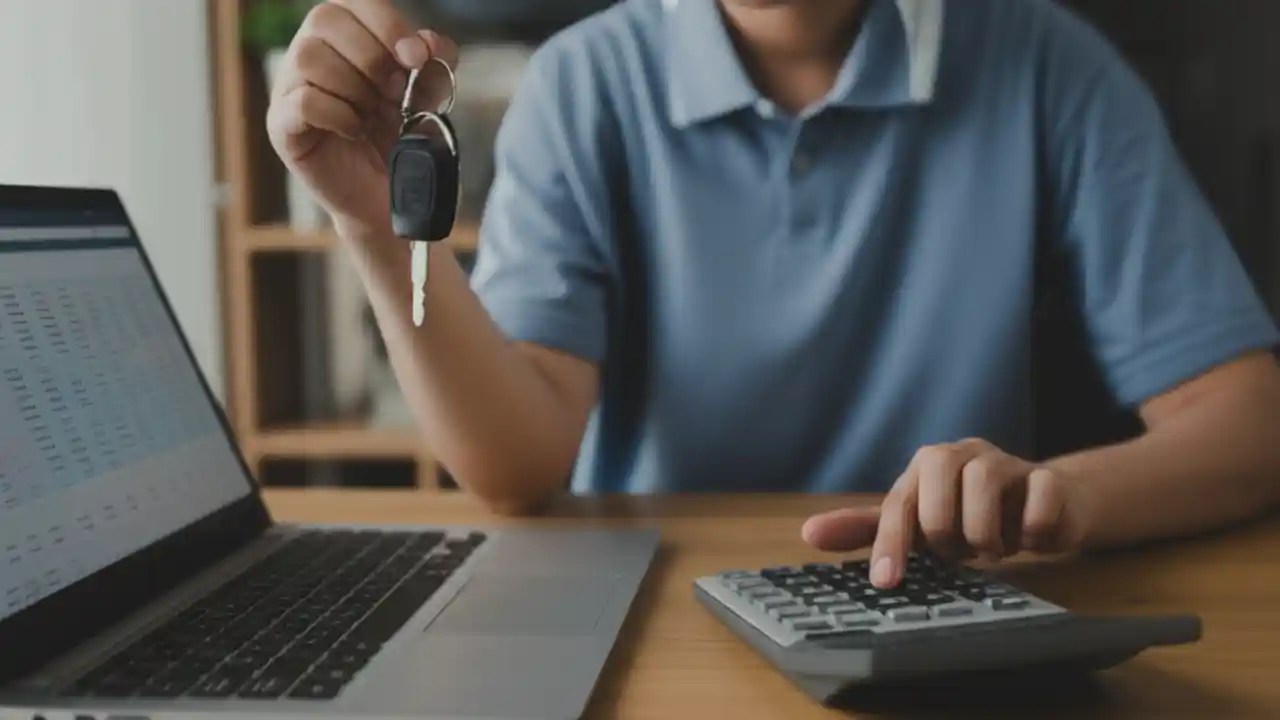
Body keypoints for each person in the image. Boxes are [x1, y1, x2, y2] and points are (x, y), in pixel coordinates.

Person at [266, 0, 1280, 589]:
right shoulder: (585, 84)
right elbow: (515, 466)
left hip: (960, 605)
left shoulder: (1045, 63)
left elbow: (1244, 423)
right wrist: (369, 219)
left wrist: (1063, 497)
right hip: (662, 602)